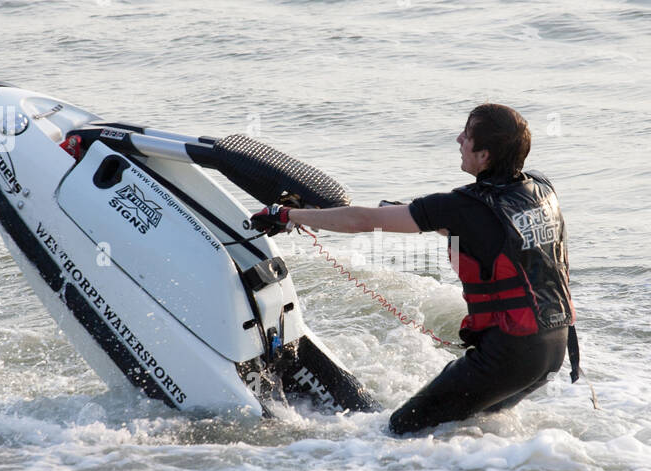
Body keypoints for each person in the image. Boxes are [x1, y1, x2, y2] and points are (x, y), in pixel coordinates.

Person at [248, 103, 583, 434]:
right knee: (462, 426)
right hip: (552, 349)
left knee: (400, 431)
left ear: (484, 156)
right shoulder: (541, 189)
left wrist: (286, 215)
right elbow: (489, 232)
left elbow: (363, 221)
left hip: (508, 356)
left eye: (466, 135)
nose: (458, 140)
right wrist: (415, 215)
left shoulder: (460, 206)